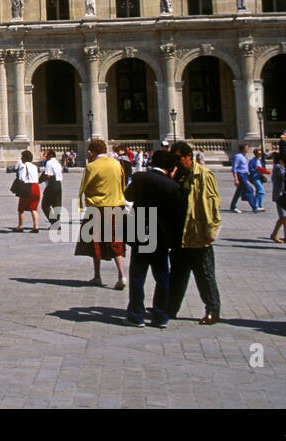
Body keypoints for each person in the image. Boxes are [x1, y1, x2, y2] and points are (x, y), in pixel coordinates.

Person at [125, 150, 184, 327]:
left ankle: (136, 316)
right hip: (162, 236)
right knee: (162, 276)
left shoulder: (140, 178)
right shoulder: (173, 186)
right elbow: (178, 216)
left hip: (142, 233)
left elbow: (128, 197)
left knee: (137, 276)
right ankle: (160, 316)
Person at [167, 140, 222, 324]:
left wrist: (210, 231)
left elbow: (212, 205)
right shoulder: (178, 175)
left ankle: (212, 310)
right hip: (180, 234)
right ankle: (170, 308)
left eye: (178, 159)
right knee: (177, 274)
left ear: (188, 157)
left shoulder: (203, 175)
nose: (176, 162)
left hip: (198, 233)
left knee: (204, 274)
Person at [75, 139, 127, 288]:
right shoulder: (117, 165)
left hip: (97, 208)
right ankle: (122, 275)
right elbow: (122, 184)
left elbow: (84, 188)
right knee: (116, 242)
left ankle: (97, 276)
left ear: (91, 152)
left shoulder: (91, 167)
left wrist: (81, 205)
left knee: (95, 244)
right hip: (116, 207)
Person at [268, 148, 286, 244]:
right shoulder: (279, 167)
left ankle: (283, 235)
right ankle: (279, 235)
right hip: (280, 195)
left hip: (284, 194)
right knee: (284, 216)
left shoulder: (281, 166)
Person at [12, 150, 42, 233]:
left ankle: (20, 226)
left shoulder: (23, 166)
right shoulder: (34, 167)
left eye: (22, 157)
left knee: (21, 208)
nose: (21, 158)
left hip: (27, 187)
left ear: (24, 158)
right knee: (33, 208)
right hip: (36, 187)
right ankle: (36, 226)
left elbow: (22, 178)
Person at [228, 144, 257, 213]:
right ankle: (254, 207)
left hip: (245, 175)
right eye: (247, 147)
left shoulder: (244, 156)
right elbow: (234, 168)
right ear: (243, 148)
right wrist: (236, 178)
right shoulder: (238, 156)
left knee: (238, 192)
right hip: (240, 175)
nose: (248, 149)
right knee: (249, 190)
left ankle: (233, 206)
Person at [41, 149, 65, 226]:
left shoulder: (49, 162)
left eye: (46, 155)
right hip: (59, 184)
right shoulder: (58, 163)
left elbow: (48, 175)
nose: (44, 156)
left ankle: (54, 223)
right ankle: (57, 222)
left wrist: (41, 180)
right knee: (57, 205)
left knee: (45, 205)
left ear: (50, 155)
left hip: (52, 184)